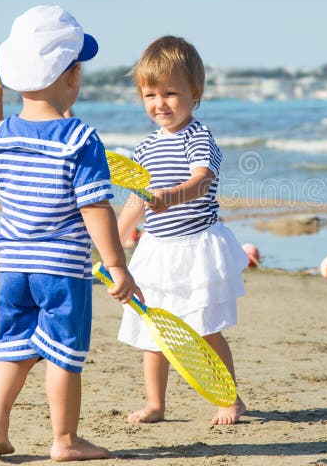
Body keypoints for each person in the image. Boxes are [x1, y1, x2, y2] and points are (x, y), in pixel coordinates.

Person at [0, 5, 143, 461]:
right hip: (61, 268)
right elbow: (94, 205)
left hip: (13, 266)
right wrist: (116, 263)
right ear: (72, 76)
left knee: (13, 347)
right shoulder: (79, 138)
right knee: (64, 354)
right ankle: (64, 441)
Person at [116, 35, 248, 425]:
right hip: (157, 250)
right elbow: (136, 199)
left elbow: (202, 180)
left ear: (196, 92)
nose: (160, 103)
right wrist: (118, 237)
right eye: (150, 95)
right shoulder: (144, 148)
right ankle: (156, 405)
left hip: (196, 248)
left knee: (207, 329)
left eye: (171, 93)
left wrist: (169, 197)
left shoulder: (198, 136)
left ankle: (230, 398)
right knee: (153, 330)